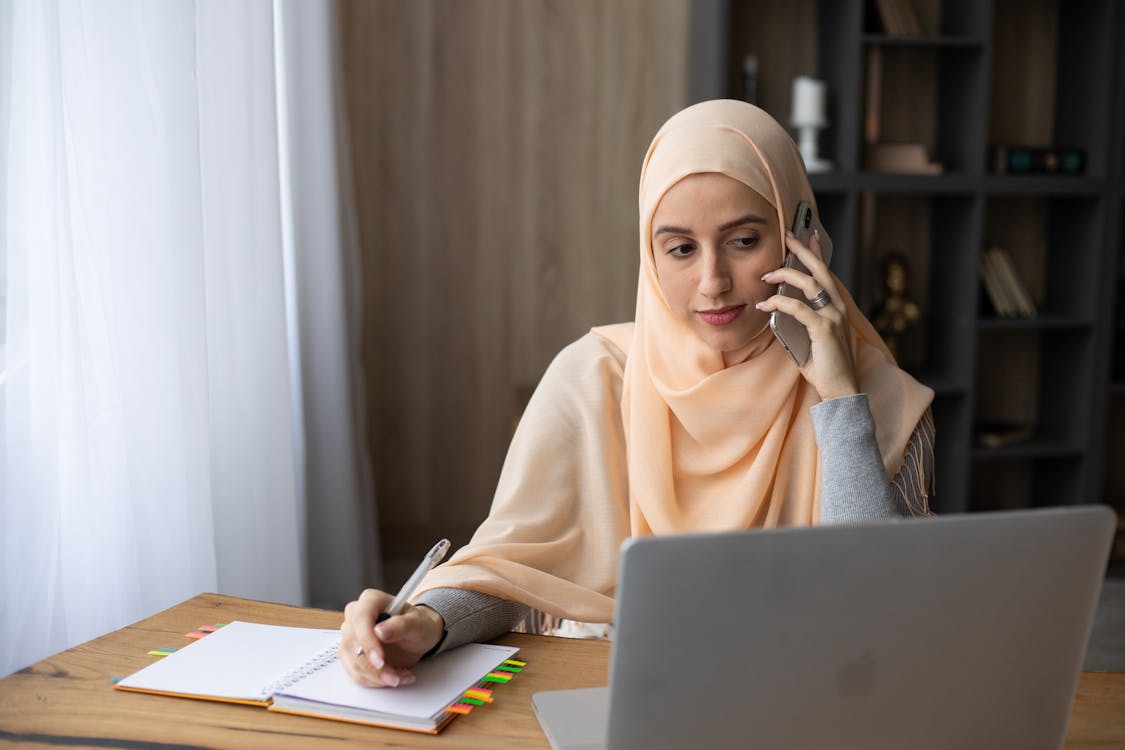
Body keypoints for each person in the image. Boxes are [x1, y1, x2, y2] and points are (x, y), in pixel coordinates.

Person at [339, 99, 935, 689]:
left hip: (802, 700)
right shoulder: (596, 377)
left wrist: (838, 399)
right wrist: (427, 621)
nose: (712, 282)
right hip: (621, 697)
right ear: (650, 257)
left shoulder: (878, 401)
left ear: (802, 236)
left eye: (744, 240)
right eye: (681, 249)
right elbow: (517, 568)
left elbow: (878, 619)